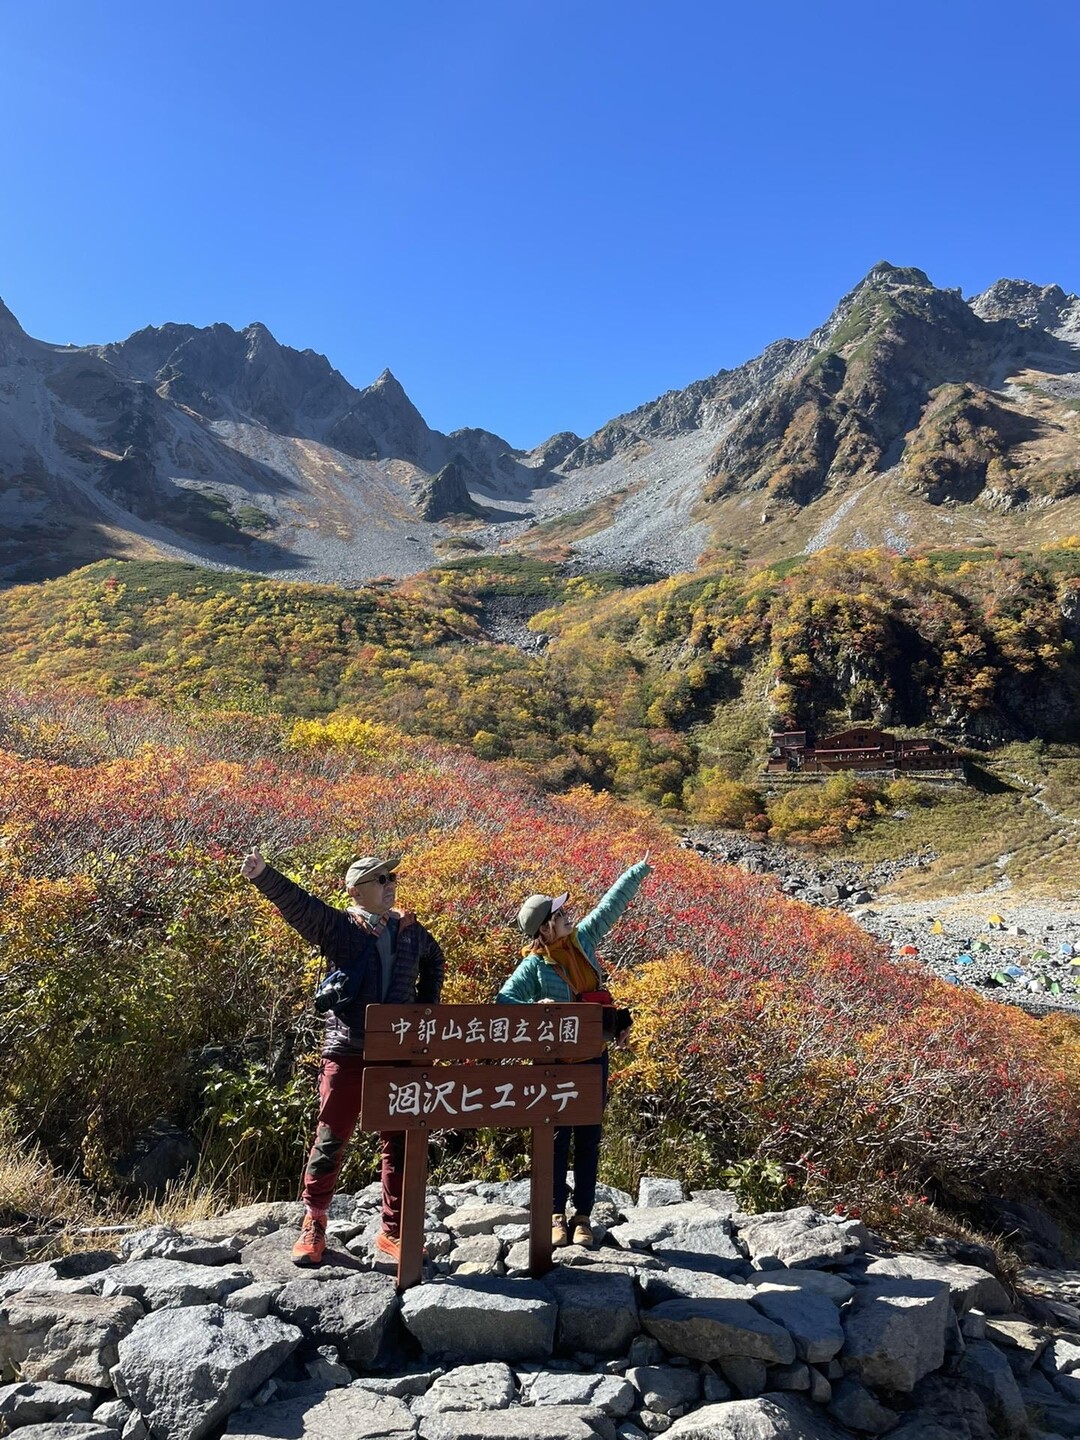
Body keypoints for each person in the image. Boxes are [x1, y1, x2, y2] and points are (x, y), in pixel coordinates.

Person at [240, 849, 444, 1266]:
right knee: (332, 1137)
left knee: (401, 1141)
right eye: (380, 880)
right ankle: (313, 1223)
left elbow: (435, 960)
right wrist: (263, 875)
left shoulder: (409, 930)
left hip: (398, 1053)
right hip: (348, 1050)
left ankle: (394, 1231)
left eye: (391, 878)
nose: (390, 885)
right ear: (355, 891)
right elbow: (301, 906)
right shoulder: (342, 928)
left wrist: (425, 1012)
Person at [496, 857, 650, 1248]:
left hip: (593, 1059)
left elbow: (608, 908)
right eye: (560, 913)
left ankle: (582, 1216)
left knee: (589, 1138)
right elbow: (505, 1002)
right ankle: (553, 1216)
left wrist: (636, 872)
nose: (569, 915)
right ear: (545, 928)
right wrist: (542, 1010)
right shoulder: (533, 966)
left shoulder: (582, 944)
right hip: (554, 1067)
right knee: (555, 1139)